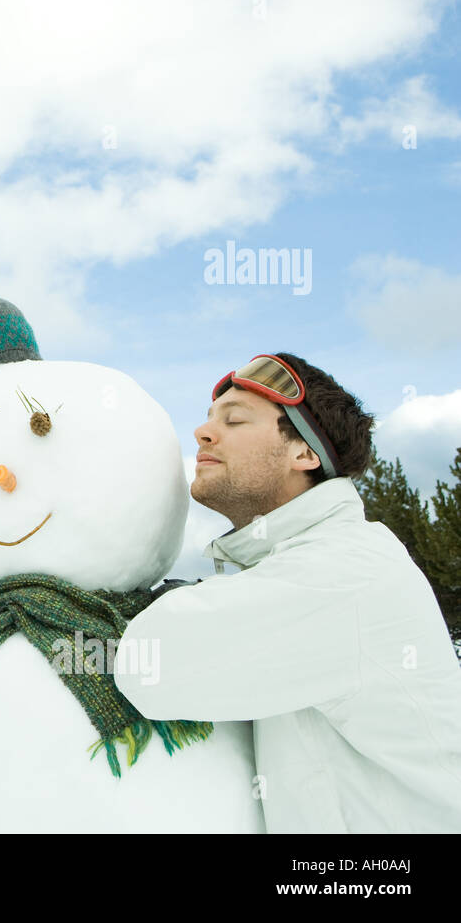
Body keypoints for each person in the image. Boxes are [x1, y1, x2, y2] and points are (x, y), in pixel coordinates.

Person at [114, 352, 461, 832]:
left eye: (234, 420)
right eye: (208, 419)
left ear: (304, 454)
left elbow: (148, 665)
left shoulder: (344, 569)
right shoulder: (308, 564)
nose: (202, 433)